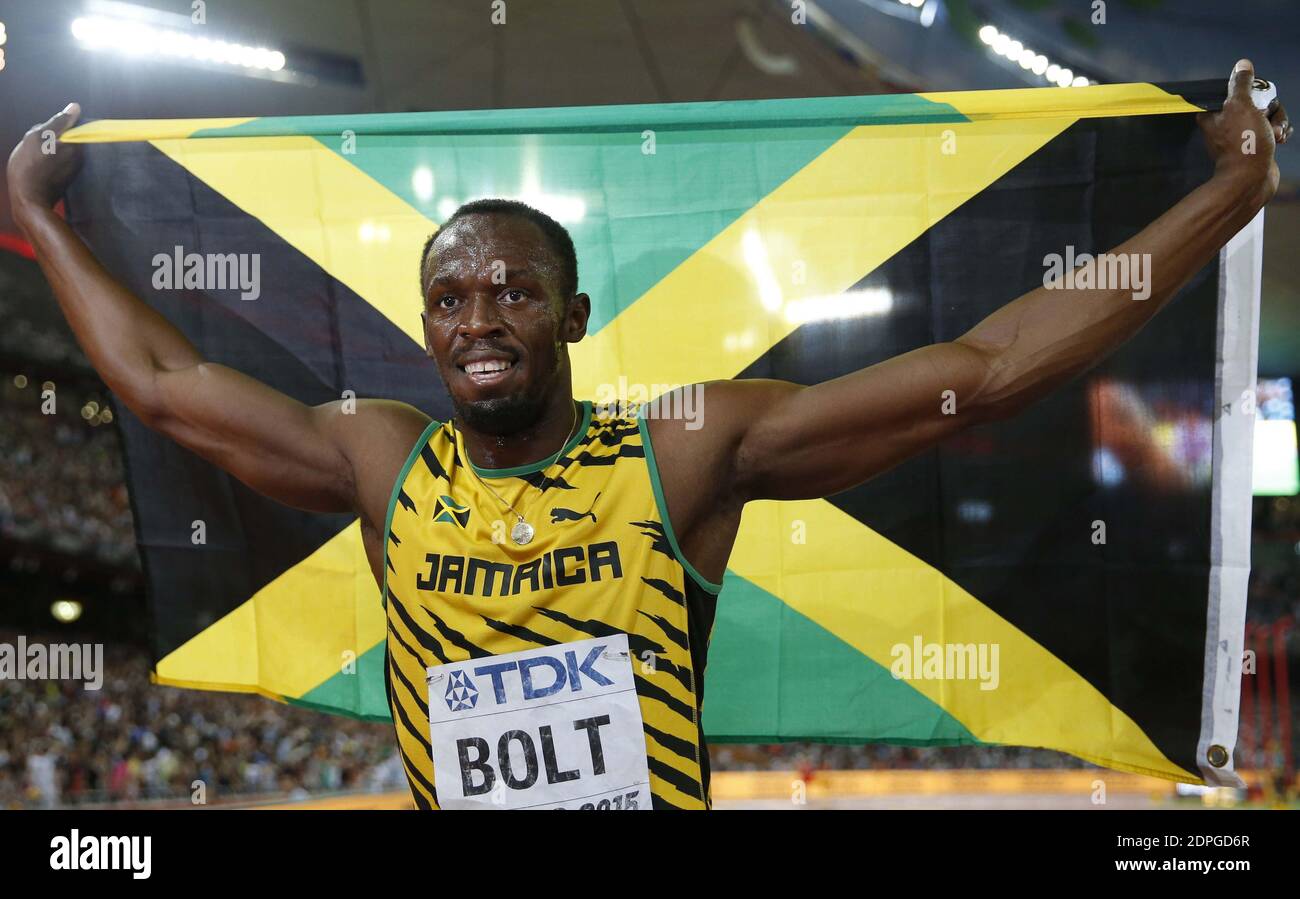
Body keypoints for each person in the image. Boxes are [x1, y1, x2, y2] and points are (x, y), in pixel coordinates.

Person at [6, 62, 1290, 810]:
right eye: (448, 297)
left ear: (573, 315)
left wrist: (1234, 188)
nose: (478, 318)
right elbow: (165, 385)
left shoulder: (677, 448)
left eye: (513, 290)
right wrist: (41, 218)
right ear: (425, 326)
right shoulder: (382, 458)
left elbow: (987, 371)